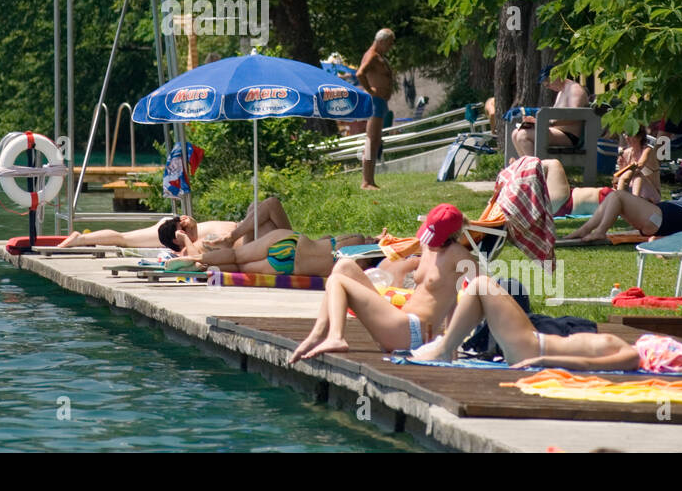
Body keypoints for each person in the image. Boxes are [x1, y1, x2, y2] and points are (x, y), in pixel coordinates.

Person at [288, 204, 478, 364]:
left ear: (450, 236)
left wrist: (450, 343)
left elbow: (476, 292)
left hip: (411, 334)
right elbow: (447, 296)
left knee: (337, 281)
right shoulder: (429, 248)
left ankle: (334, 337)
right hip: (398, 322)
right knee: (344, 266)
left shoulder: (457, 254)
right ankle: (320, 333)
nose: (430, 242)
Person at [411, 275, 682, 373]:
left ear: (654, 356)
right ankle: (447, 345)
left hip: (532, 346)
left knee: (481, 284)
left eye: (655, 344)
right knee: (483, 290)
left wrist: (545, 360)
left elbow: (584, 363)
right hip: (531, 344)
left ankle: (445, 348)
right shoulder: (623, 347)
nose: (649, 338)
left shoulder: (629, 354)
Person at [57, 197, 291, 250]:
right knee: (124, 238)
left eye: (184, 219)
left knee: (257, 206)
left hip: (253, 236)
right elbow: (121, 239)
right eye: (185, 224)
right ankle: (82, 239)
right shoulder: (195, 242)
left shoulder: (192, 229)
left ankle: (83, 238)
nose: (187, 221)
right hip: (250, 243)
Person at [168, 228, 371, 278]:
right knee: (239, 267)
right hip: (288, 266)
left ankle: (192, 258)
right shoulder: (358, 269)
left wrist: (375, 239)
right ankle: (198, 267)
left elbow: (326, 239)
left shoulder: (357, 239)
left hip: (291, 242)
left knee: (237, 255)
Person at [511, 65, 590, 157]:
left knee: (523, 136)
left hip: (569, 136)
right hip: (555, 131)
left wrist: (547, 123)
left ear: (557, 75)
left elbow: (575, 116)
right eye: (545, 84)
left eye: (547, 81)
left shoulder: (574, 90)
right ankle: (526, 167)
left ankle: (535, 169)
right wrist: (535, 122)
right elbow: (554, 118)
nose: (547, 86)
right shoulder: (561, 92)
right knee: (515, 133)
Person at [354, 28, 395, 190]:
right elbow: (360, 74)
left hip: (380, 102)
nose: (390, 47)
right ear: (382, 41)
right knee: (371, 140)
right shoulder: (371, 55)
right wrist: (370, 91)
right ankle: (366, 181)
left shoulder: (379, 57)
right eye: (389, 44)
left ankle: (371, 180)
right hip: (375, 101)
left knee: (376, 140)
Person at [613, 128, 661, 202]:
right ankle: (622, 200)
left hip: (651, 194)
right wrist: (621, 165)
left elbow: (640, 166)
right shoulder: (626, 153)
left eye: (630, 135)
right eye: (625, 135)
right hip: (630, 189)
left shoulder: (647, 150)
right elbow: (620, 176)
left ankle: (635, 201)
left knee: (638, 175)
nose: (626, 137)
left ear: (640, 137)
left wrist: (623, 174)